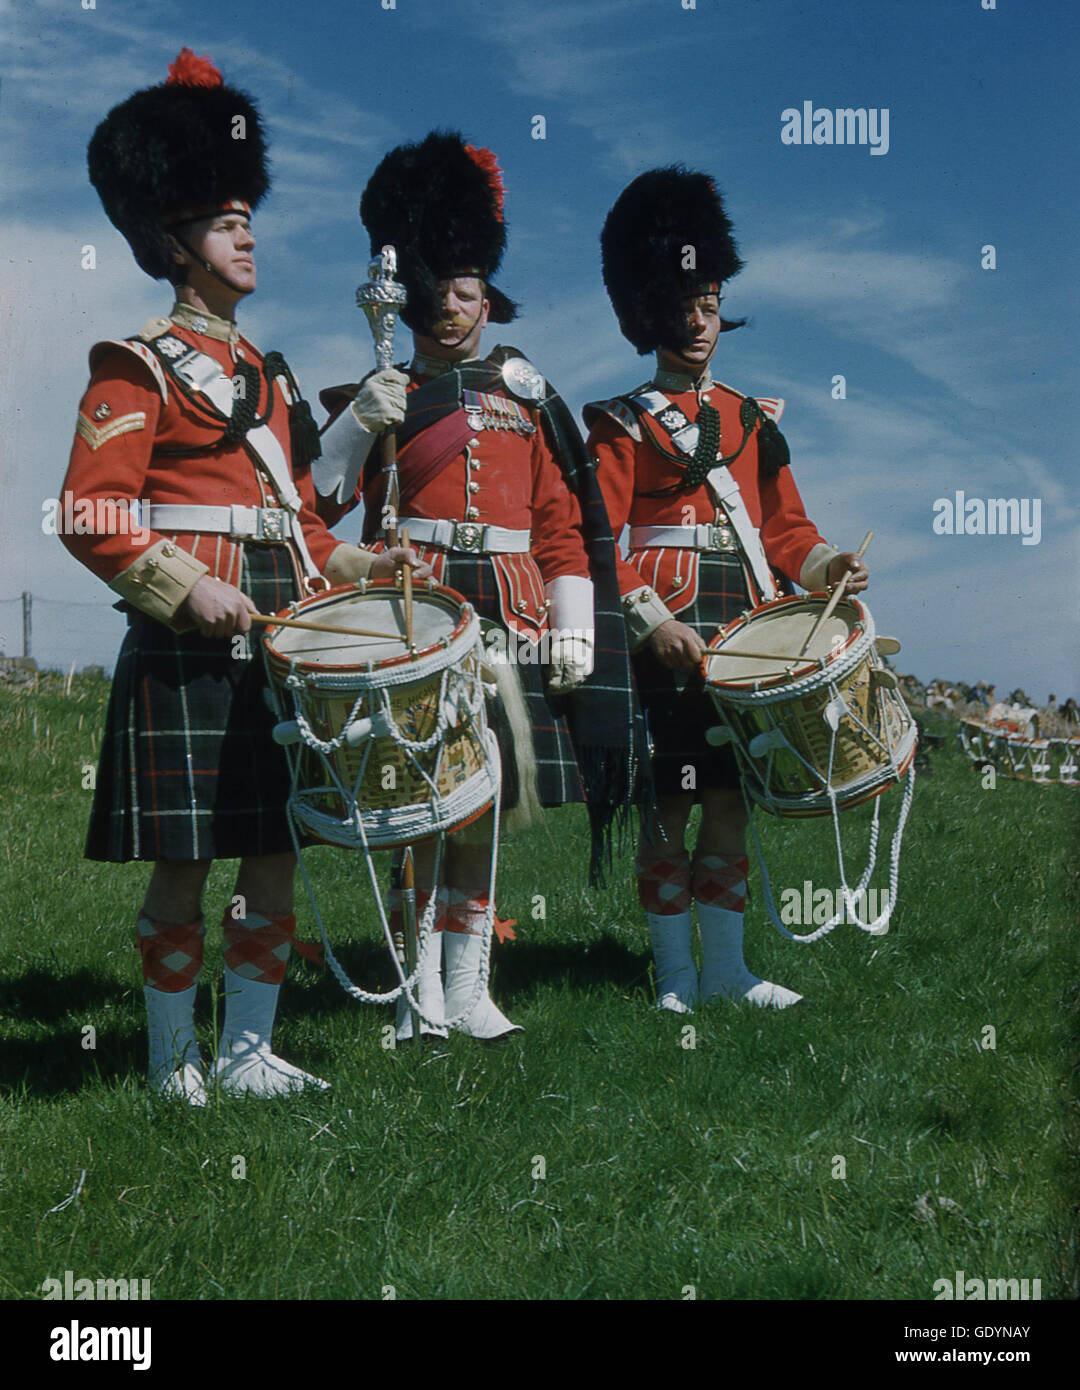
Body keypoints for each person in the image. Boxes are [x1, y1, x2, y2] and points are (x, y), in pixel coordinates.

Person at [61, 49, 424, 1102]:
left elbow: (302, 519)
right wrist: (183, 587)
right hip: (188, 640)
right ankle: (172, 1057)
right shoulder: (133, 366)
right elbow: (91, 513)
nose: (249, 233)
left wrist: (364, 560)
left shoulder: (268, 374)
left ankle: (246, 1050)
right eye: (226, 222)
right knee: (188, 859)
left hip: (277, 625)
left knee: (273, 849)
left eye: (247, 218)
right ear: (172, 242)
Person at [314, 131, 641, 1041]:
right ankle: (418, 990)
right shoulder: (377, 390)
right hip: (412, 603)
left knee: (481, 795)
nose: (453, 310)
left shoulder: (527, 396)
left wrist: (573, 622)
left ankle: (470, 987)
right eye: (436, 294)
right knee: (422, 795)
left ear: (489, 293)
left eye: (468, 292)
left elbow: (560, 525)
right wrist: (353, 426)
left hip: (505, 612)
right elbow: (313, 498)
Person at [585, 167, 868, 1013]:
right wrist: (649, 622)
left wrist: (829, 571)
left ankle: (727, 973)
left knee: (732, 805)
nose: (699, 324)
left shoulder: (753, 419)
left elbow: (785, 528)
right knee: (670, 810)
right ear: (649, 315)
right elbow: (600, 542)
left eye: (709, 304)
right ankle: (673, 975)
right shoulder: (621, 422)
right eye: (682, 308)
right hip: (670, 632)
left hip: (744, 628)